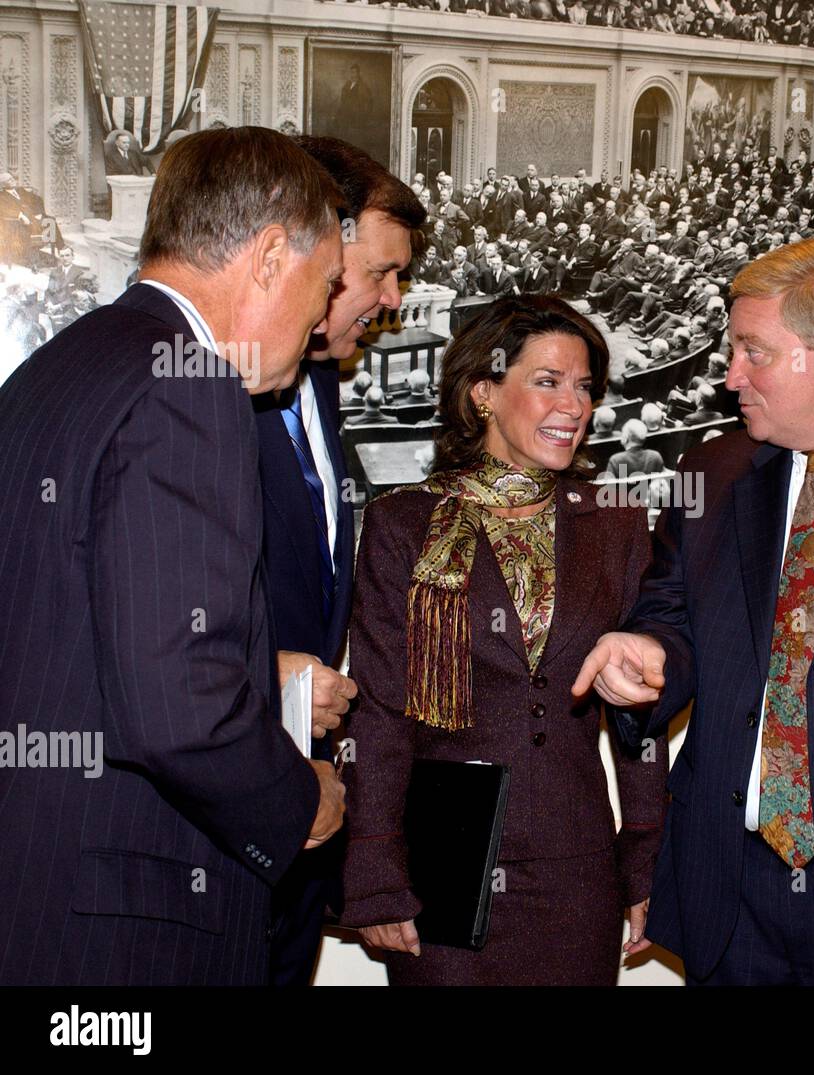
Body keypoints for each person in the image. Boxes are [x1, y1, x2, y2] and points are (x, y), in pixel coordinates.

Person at [0, 126, 348, 985]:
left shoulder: (55, 369)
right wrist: (300, 799)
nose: (319, 325)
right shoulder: (193, 387)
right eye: (327, 282)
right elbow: (178, 700)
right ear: (270, 257)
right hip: (126, 924)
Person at [574, 237, 814, 985]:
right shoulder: (714, 471)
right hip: (730, 891)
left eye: (752, 352)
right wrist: (647, 655)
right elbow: (672, 617)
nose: (730, 375)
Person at [340, 294, 667, 985]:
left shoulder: (616, 524)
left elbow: (640, 713)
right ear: (483, 392)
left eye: (584, 387)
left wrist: (645, 856)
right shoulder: (403, 524)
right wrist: (374, 864)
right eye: (548, 381)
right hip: (443, 865)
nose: (573, 406)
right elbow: (380, 710)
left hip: (574, 868)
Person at [254, 135, 424, 986]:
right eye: (382, 273)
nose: (392, 302)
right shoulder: (211, 395)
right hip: (218, 831)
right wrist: (270, 681)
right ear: (326, 241)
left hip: (298, 832)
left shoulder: (317, 383)